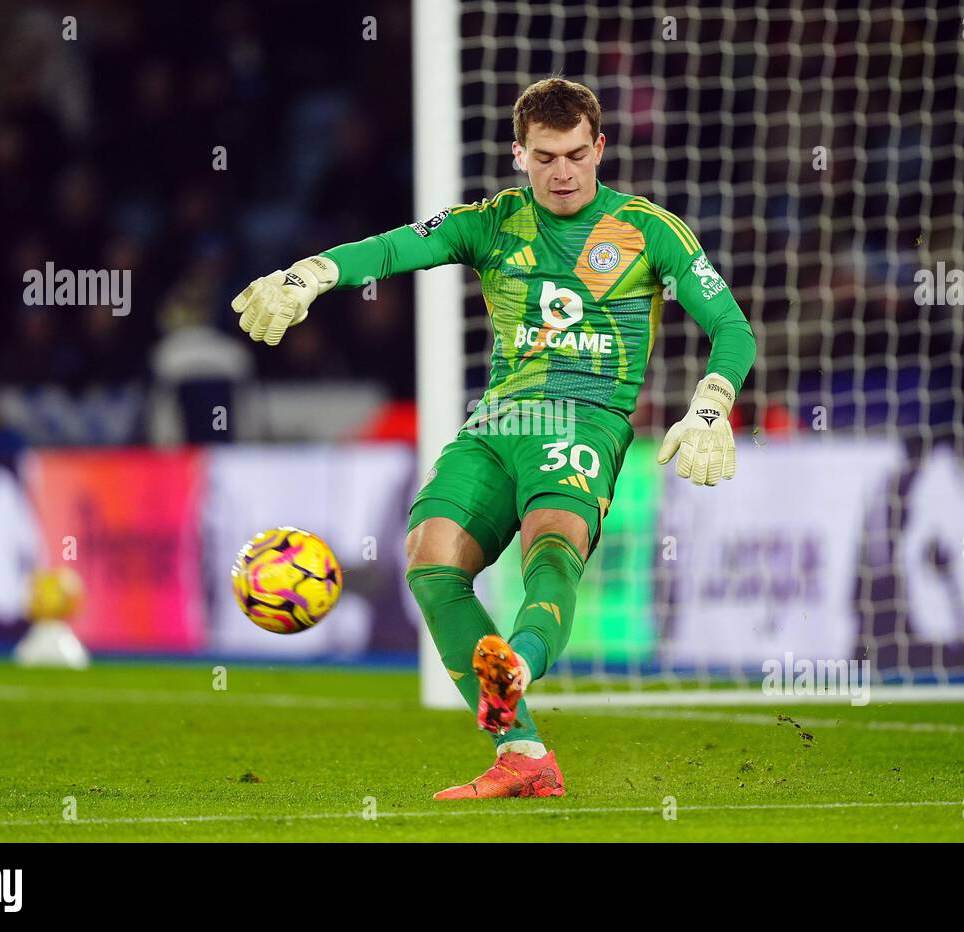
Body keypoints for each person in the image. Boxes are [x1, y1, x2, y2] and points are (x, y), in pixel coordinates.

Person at [230, 78, 757, 798]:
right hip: (497, 422)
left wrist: (710, 403)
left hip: (585, 417)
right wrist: (312, 273)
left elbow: (730, 327)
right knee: (429, 557)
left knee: (553, 538)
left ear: (599, 147)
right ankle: (524, 753)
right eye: (545, 157)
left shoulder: (649, 230)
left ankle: (517, 663)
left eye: (576, 154)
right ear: (520, 154)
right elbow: (391, 250)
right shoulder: (490, 222)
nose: (563, 173)